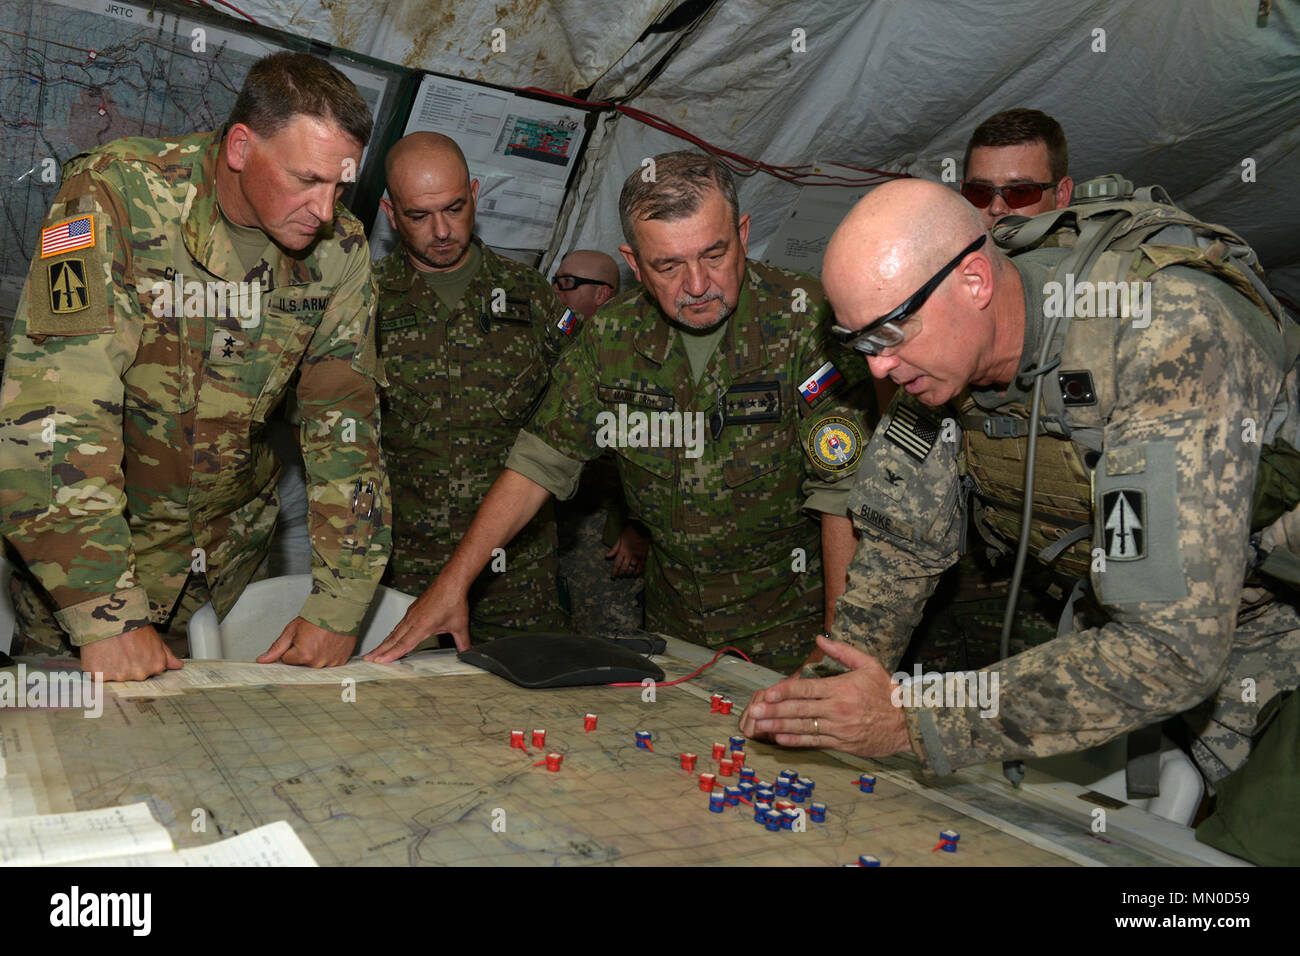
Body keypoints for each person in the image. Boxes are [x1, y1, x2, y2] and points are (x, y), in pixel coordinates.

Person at [740, 177, 1300, 784]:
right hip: (1109, 635)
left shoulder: (1167, 333)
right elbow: (900, 550)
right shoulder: (940, 365)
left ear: (975, 281)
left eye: (889, 332)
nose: (877, 366)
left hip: (1268, 640)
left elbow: (1170, 648)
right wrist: (824, 700)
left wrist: (915, 721)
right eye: (858, 342)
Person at [368, 151, 874, 672]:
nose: (697, 285)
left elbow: (842, 493)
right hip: (675, 629)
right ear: (634, 264)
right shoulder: (612, 336)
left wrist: (837, 649)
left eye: (714, 254)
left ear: (743, 234)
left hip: (792, 623)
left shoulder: (806, 321)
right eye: (668, 266)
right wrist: (452, 584)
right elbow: (539, 461)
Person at [0, 52, 390, 681]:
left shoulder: (339, 253)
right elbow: (53, 413)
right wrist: (106, 613)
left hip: (227, 567)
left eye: (340, 187)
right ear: (240, 146)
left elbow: (344, 428)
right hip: (91, 563)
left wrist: (341, 604)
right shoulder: (107, 197)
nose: (324, 210)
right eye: (307, 180)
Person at [374, 132, 571, 641]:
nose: (442, 230)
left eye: (455, 208)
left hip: (519, 573)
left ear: (475, 194)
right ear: (391, 214)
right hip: (411, 572)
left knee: (528, 713)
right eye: (419, 216)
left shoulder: (532, 297)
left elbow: (578, 423)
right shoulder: (365, 302)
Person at [550, 250, 648, 632]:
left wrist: (636, 530)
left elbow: (650, 454)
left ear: (602, 295)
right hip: (562, 519)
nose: (558, 292)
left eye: (569, 284)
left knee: (607, 632)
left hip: (605, 529)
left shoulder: (630, 355)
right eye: (555, 282)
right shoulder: (562, 348)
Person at [961, 108, 1073, 230]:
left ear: (1061, 195)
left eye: (1020, 193)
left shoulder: (1090, 247)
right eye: (980, 193)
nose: (996, 208)